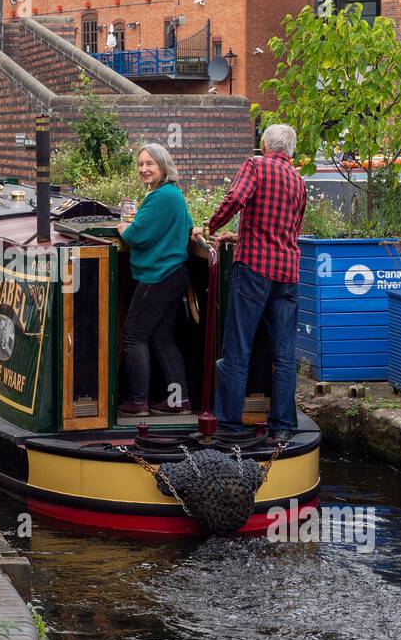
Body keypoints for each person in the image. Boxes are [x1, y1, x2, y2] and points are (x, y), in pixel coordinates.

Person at [195, 123, 307, 443]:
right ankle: (282, 426)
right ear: (291, 150)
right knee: (284, 355)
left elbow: (235, 200)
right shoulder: (299, 181)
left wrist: (209, 226)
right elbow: (287, 229)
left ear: (264, 144)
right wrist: (238, 234)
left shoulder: (255, 165)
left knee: (238, 348)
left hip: (255, 269)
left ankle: (230, 424)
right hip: (287, 274)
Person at [115, 143, 193, 417]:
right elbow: (189, 224)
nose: (144, 169)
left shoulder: (161, 196)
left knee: (134, 336)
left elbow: (137, 235)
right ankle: (178, 400)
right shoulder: (172, 195)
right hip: (173, 275)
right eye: (140, 164)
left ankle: (138, 403)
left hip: (158, 276)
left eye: (150, 164)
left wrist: (124, 227)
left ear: (163, 166)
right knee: (162, 339)